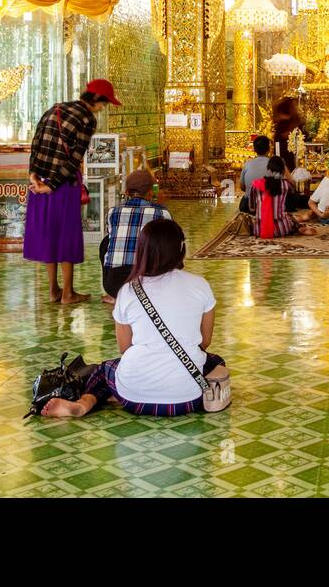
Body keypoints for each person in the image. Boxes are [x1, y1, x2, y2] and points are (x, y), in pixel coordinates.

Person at [40, 219, 229, 418]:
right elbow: (205, 341)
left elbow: (125, 348)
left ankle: (83, 405)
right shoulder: (199, 285)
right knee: (215, 361)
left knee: (104, 370)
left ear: (141, 251)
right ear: (180, 249)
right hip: (189, 399)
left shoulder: (128, 290)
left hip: (134, 398)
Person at [26, 80, 121, 306]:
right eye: (104, 104)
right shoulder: (87, 119)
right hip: (63, 184)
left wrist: (34, 175)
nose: (103, 108)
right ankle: (68, 293)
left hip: (40, 180)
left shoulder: (56, 108)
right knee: (65, 236)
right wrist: (53, 185)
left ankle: (53, 290)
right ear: (97, 100)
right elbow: (74, 158)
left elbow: (36, 142)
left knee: (48, 235)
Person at [100, 168, 171, 304]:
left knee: (105, 243)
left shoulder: (113, 212)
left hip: (115, 285)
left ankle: (116, 297)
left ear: (127, 192)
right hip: (150, 283)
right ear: (150, 193)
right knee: (167, 241)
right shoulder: (161, 213)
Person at [249, 156, 315, 238]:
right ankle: (297, 226)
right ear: (283, 170)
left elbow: (252, 208)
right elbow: (294, 184)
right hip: (282, 229)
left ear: (268, 169)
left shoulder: (255, 185)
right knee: (287, 216)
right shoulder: (286, 185)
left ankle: (300, 220)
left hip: (260, 230)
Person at [238, 135, 272, 214]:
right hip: (268, 204)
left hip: (248, 204)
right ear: (269, 149)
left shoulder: (247, 164)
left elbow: (242, 187)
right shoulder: (273, 164)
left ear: (254, 150)